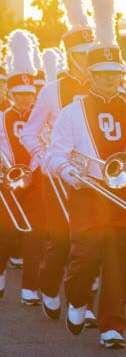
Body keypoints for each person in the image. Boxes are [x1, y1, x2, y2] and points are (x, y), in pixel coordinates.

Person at [47, 0, 126, 349]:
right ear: (91, 75)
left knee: (117, 266)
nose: (113, 79)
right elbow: (53, 157)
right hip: (87, 194)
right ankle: (78, 299)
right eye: (105, 73)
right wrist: (69, 172)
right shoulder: (71, 112)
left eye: (117, 73)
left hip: (123, 195)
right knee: (84, 259)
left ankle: (113, 325)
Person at [21, 0, 95, 322]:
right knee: (62, 241)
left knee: (91, 242)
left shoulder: (101, 87)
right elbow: (29, 133)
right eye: (80, 53)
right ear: (70, 55)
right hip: (57, 175)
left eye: (89, 52)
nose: (86, 58)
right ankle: (50, 286)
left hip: (92, 177)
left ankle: (81, 303)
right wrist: (42, 159)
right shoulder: (52, 91)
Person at [0, 31, 45, 305]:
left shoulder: (41, 117)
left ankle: (30, 288)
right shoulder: (2, 117)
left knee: (35, 236)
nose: (26, 100)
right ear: (10, 94)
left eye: (30, 94)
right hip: (7, 181)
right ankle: (1, 272)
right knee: (5, 233)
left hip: (36, 181)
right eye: (20, 95)